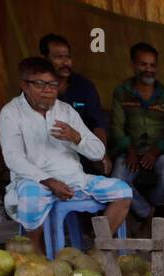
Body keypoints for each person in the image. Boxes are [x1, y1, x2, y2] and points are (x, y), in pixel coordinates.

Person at [0, 57, 132, 251]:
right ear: (24, 85)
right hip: (33, 180)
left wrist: (76, 137)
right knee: (30, 196)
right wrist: (49, 181)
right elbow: (13, 159)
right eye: (40, 84)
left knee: (123, 191)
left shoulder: (66, 111)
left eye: (53, 84)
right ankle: (35, 257)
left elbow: (98, 152)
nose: (49, 90)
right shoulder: (11, 113)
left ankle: (97, 251)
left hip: (74, 179)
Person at [110, 42, 164, 219]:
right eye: (143, 64)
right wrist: (131, 151)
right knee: (117, 181)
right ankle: (147, 213)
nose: (148, 69)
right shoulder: (121, 92)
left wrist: (156, 151)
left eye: (152, 65)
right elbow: (116, 127)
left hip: (160, 152)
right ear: (133, 65)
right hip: (129, 152)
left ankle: (150, 205)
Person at [40, 33, 110, 175]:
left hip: (83, 153)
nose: (66, 62)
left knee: (114, 186)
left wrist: (101, 154)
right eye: (59, 57)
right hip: (49, 156)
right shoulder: (36, 89)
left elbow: (98, 124)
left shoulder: (84, 86)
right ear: (45, 59)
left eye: (68, 57)